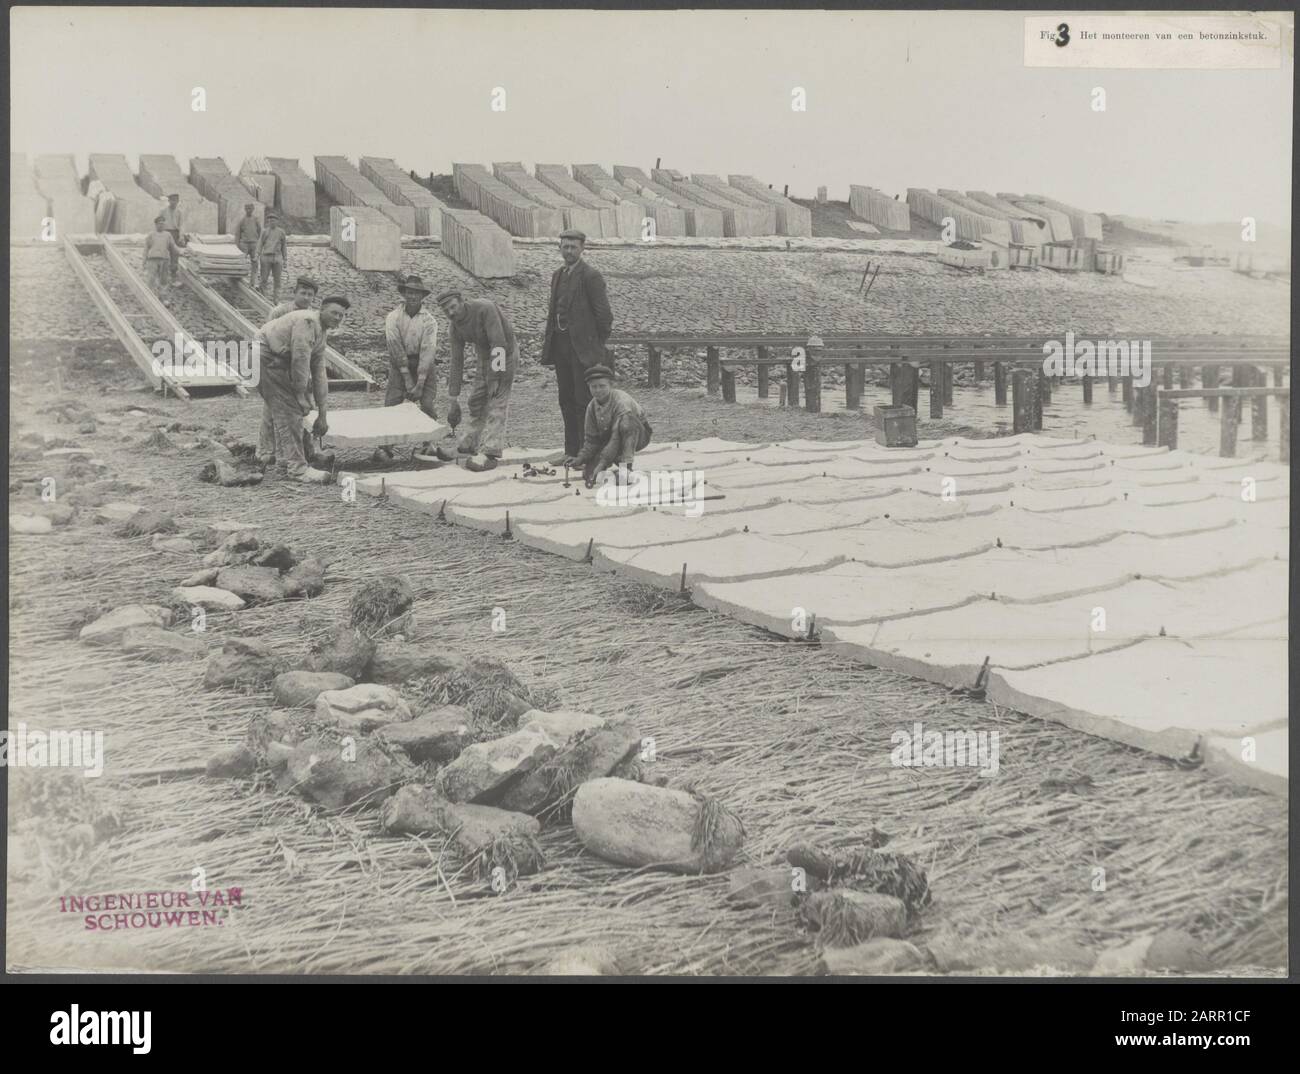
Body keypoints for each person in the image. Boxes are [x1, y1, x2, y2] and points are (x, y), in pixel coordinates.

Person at [253, 297, 350, 483]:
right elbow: (300, 359)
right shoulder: (308, 322)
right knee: (290, 411)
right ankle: (297, 469)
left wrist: (323, 415)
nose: (338, 318)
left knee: (288, 411)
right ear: (322, 309)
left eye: (342, 315)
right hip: (264, 358)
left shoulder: (321, 332)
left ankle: (284, 462)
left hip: (277, 361)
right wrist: (300, 395)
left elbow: (319, 373)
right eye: (334, 313)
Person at [540, 229, 613, 457]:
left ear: (582, 249)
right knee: (566, 399)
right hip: (561, 347)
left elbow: (604, 316)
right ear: (559, 249)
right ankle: (570, 452)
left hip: (584, 351)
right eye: (565, 247)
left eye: (573, 247)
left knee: (584, 401)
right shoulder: (557, 275)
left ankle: (587, 452)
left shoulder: (591, 276)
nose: (569, 251)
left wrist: (594, 345)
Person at [435, 289, 518, 471]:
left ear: (462, 301)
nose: (451, 313)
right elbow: (456, 361)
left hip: (504, 354)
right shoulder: (455, 326)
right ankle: (467, 446)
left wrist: (495, 377)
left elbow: (499, 342)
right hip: (484, 357)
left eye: (453, 307)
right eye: (446, 310)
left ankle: (491, 453)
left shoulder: (484, 309)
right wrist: (453, 398)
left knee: (496, 401)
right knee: (476, 402)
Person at [375, 274, 439, 462]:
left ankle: (429, 444)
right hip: (399, 364)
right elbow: (394, 345)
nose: (412, 297)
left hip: (424, 364)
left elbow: (428, 349)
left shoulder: (429, 321)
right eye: (409, 293)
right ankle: (385, 447)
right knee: (392, 405)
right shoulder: (393, 317)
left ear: (422, 297)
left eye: (416, 294)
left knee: (427, 404)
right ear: (404, 294)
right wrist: (406, 377)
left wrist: (419, 382)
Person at [567, 365, 652, 485]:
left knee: (627, 422)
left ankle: (626, 468)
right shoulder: (591, 407)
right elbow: (591, 441)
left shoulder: (621, 401)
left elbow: (616, 438)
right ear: (588, 387)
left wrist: (603, 463)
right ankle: (617, 462)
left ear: (611, 385)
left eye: (602, 386)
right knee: (589, 475)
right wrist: (579, 458)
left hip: (637, 435)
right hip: (609, 438)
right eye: (593, 387)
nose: (597, 390)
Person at [142, 215, 181, 295]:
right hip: (152, 260)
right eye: (159, 224)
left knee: (164, 279)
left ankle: (163, 297)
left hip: (164, 260)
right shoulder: (151, 235)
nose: (161, 225)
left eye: (163, 224)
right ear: (156, 225)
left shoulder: (168, 235)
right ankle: (149, 295)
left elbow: (173, 246)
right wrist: (144, 260)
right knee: (151, 279)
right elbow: (146, 248)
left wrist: (182, 252)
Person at [257, 211, 289, 301]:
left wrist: (285, 259)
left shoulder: (281, 232)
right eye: (270, 221)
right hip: (266, 257)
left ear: (277, 221)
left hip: (277, 258)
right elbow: (260, 243)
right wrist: (257, 254)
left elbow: (284, 246)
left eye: (274, 220)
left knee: (277, 280)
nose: (272, 222)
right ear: (268, 222)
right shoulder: (264, 232)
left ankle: (276, 299)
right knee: (264, 279)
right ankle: (262, 297)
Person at [159, 193, 184, 285]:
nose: (174, 203)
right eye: (172, 200)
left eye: (176, 201)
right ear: (169, 201)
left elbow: (181, 225)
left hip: (175, 234)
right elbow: (159, 223)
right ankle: (161, 275)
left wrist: (181, 236)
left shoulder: (179, 212)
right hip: (165, 233)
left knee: (174, 255)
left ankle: (173, 276)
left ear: (178, 202)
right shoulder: (163, 211)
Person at [234, 203, 262, 288]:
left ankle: (253, 282)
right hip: (244, 244)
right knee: (242, 262)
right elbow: (237, 234)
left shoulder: (256, 220)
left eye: (250, 208)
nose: (248, 210)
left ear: (253, 209)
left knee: (255, 263)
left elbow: (260, 232)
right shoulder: (242, 220)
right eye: (247, 209)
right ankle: (239, 279)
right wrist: (237, 245)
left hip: (254, 244)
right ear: (245, 209)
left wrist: (259, 244)